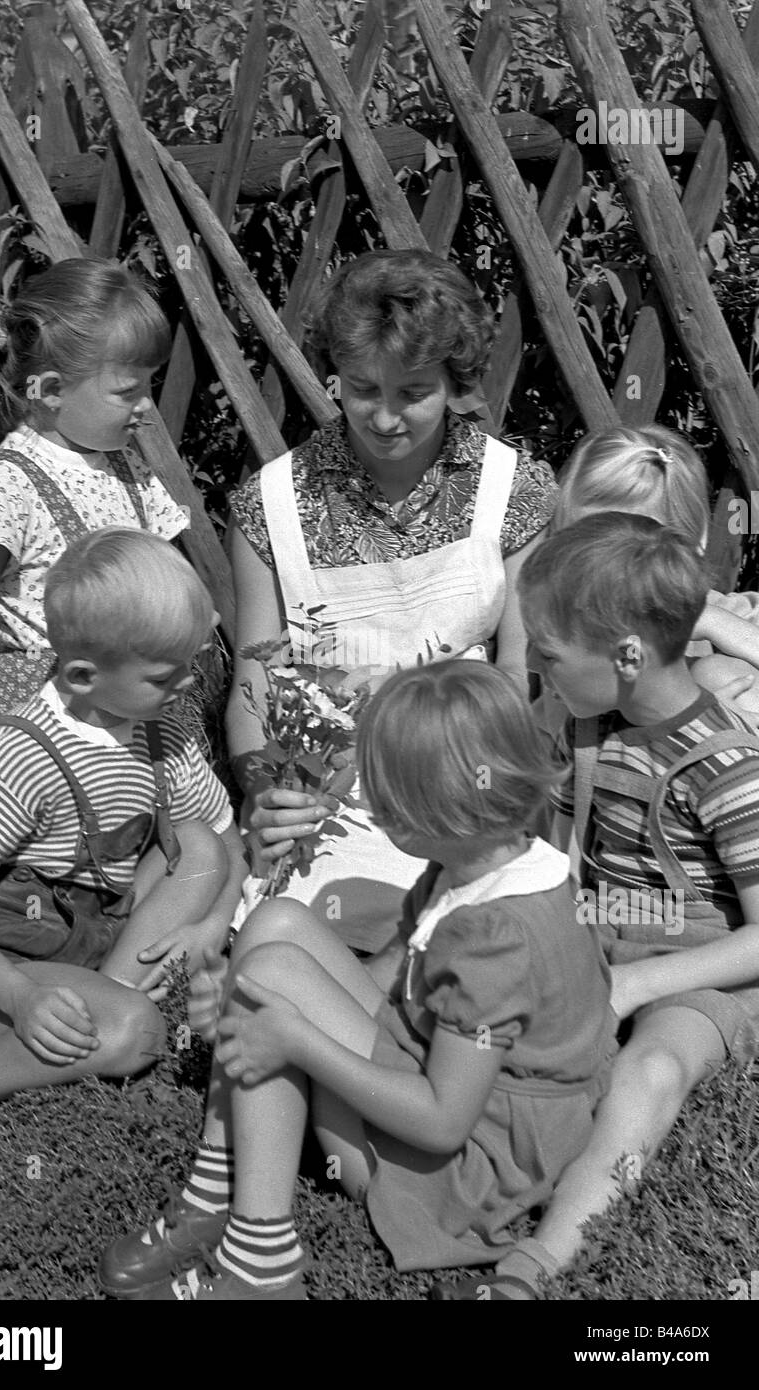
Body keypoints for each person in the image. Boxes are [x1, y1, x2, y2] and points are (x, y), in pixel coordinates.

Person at [99, 660, 616, 1302]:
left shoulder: (494, 941)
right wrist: (253, 1000)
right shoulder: (496, 861)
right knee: (279, 924)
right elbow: (388, 987)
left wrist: (299, 1041)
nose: (370, 810)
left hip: (470, 1174)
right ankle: (216, 1186)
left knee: (271, 993)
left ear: (424, 814)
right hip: (468, 1089)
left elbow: (441, 1123)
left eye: (382, 801)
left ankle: (261, 1266)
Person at [435, 513, 759, 1299]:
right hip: (600, 930)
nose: (536, 672)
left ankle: (537, 1262)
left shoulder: (729, 767)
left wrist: (640, 986)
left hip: (705, 969)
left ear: (625, 655)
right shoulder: (587, 726)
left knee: (649, 1069)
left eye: (548, 656)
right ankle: (447, 1186)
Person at [227, 249, 557, 951]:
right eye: (361, 388)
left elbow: (520, 675)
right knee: (314, 932)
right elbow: (253, 684)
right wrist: (265, 792)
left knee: (472, 930)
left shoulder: (513, 490)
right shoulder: (273, 505)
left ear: (456, 382)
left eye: (413, 392)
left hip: (464, 780)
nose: (383, 417)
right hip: (324, 796)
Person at [0, 530, 245, 1122]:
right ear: (85, 677)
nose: (189, 685)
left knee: (198, 846)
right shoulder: (20, 754)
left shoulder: (166, 735)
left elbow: (225, 839)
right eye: (167, 676)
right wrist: (20, 996)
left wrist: (213, 926)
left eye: (192, 665)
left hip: (84, 933)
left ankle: (94, 1009)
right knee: (136, 1033)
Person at [0, 258, 191, 843]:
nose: (146, 407)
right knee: (40, 870)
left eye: (150, 386)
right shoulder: (8, 486)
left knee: (147, 850)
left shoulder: (130, 468)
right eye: (128, 390)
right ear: (54, 390)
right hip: (46, 729)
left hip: (140, 713)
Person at [550, 425, 759, 720]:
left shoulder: (722, 611)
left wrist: (713, 621)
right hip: (619, 760)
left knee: (722, 673)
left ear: (691, 550)